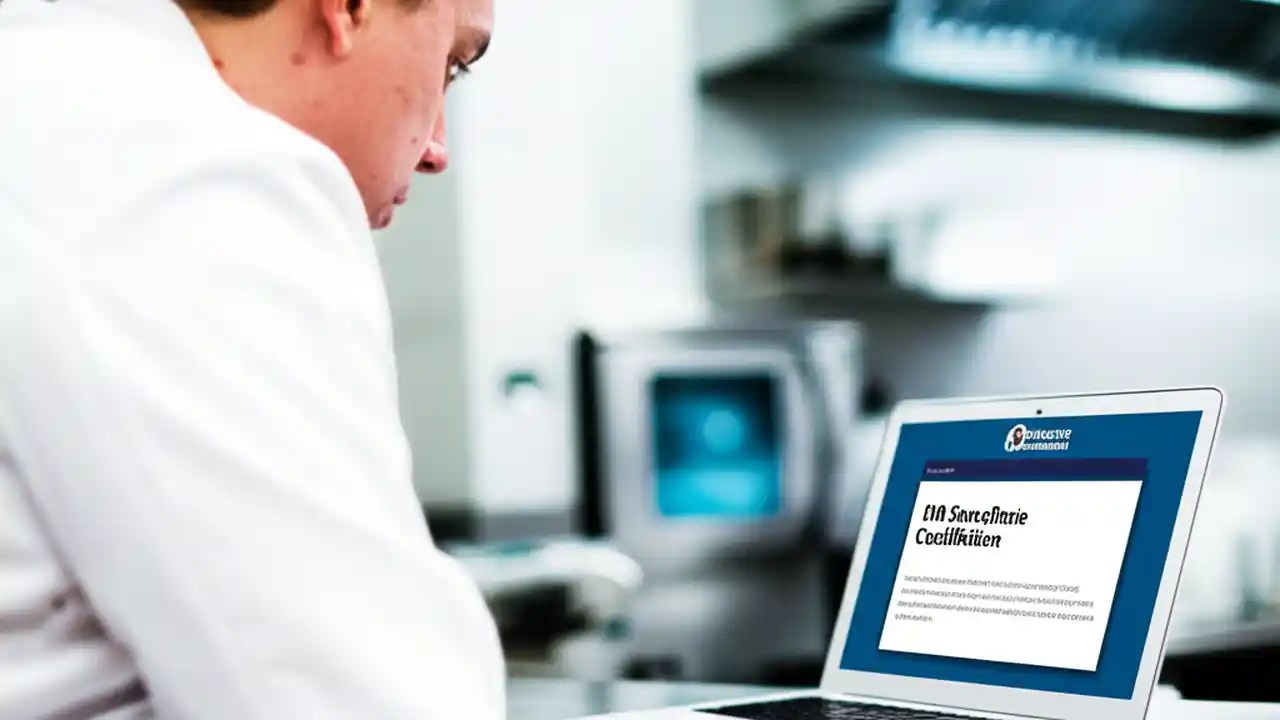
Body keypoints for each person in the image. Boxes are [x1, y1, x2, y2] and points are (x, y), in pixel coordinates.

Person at [0, 0, 502, 716]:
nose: (437, 148)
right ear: (349, 7)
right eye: (451, 63)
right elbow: (349, 696)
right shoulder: (173, 160)